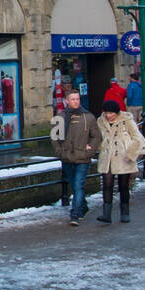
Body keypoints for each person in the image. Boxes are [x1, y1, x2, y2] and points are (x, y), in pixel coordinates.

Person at [96, 99, 145, 224]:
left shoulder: (127, 120)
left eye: (111, 113)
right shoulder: (100, 121)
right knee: (107, 184)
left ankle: (125, 213)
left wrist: (131, 153)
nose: (109, 116)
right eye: (107, 113)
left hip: (123, 156)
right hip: (107, 156)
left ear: (117, 112)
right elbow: (98, 138)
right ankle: (106, 214)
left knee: (123, 186)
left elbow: (137, 137)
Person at [52, 91, 101, 226]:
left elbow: (96, 136)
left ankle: (75, 213)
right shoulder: (60, 118)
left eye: (77, 99)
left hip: (82, 157)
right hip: (67, 157)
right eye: (73, 99)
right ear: (67, 101)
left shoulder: (88, 117)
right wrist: (59, 151)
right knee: (74, 184)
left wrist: (90, 148)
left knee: (78, 185)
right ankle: (83, 207)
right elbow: (54, 137)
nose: (76, 101)